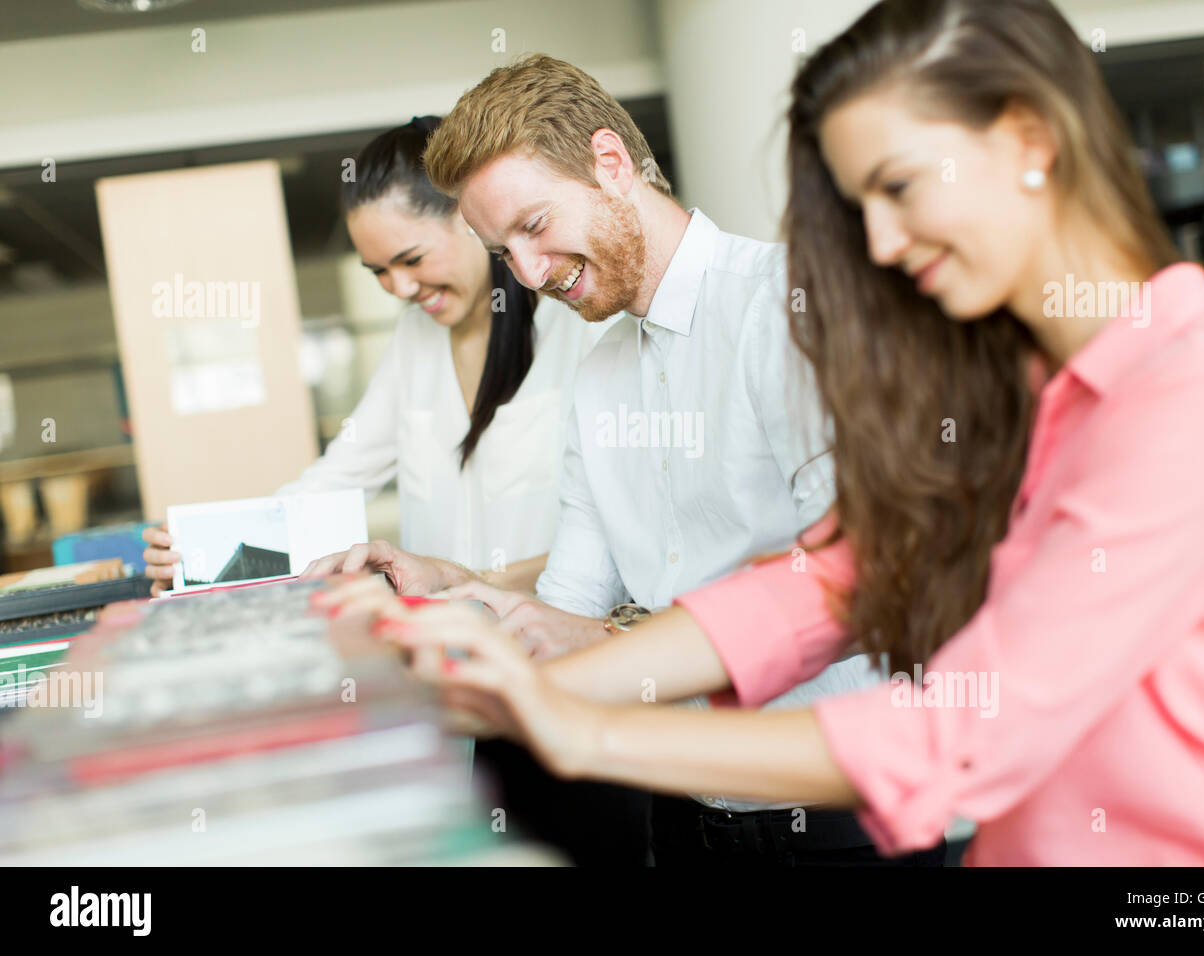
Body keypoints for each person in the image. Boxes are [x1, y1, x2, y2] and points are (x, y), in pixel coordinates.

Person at [324, 0, 1204, 866]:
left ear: (1029, 139)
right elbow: (829, 580)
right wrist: (525, 684)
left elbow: (961, 730)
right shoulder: (1028, 384)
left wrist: (578, 726)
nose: (877, 242)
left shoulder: (1191, 402)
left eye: (899, 186)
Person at [315, 53, 939, 867]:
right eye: (503, 252)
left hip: (838, 813)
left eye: (534, 226)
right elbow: (573, 601)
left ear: (611, 164)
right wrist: (460, 601)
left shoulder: (787, 309)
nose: (529, 275)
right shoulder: (601, 371)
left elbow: (869, 591)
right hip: (684, 808)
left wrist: (608, 637)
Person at [141, 117, 617, 598]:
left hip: (556, 637)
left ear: (471, 218)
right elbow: (338, 476)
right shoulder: (416, 338)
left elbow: (616, 537)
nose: (401, 288)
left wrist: (473, 582)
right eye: (379, 272)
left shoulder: (578, 325)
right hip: (443, 645)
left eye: (411, 259)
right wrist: (199, 552)